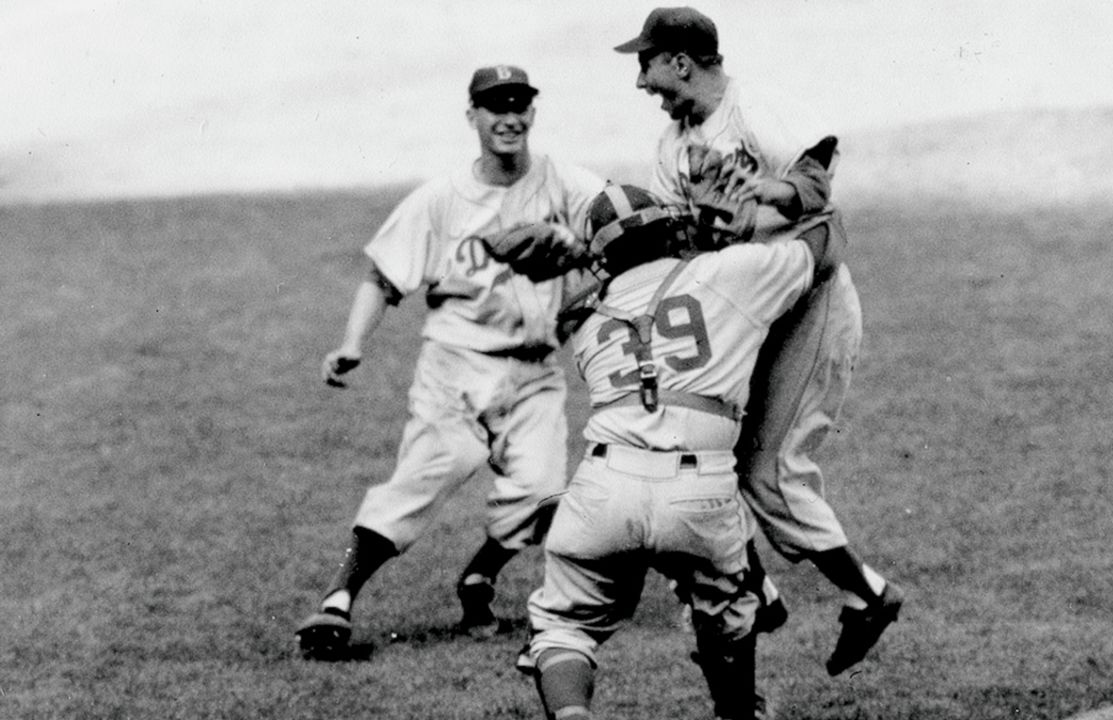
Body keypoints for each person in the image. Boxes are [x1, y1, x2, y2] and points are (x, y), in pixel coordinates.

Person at [613, 7, 904, 676]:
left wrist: (756, 195)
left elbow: (814, 183)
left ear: (680, 60)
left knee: (770, 476)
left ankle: (871, 596)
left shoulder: (754, 107)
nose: (641, 83)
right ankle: (759, 592)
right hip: (747, 314)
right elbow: (680, 238)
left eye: (646, 64)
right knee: (700, 453)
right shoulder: (670, 145)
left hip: (809, 305)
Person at [295, 65, 606, 661]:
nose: (509, 116)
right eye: (495, 106)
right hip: (455, 367)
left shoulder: (564, 182)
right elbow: (382, 277)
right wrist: (353, 342)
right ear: (473, 117)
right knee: (427, 475)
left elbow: (615, 219)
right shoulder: (442, 198)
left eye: (520, 104)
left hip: (535, 370)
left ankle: (479, 574)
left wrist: (581, 252)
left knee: (542, 494)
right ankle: (337, 598)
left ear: (533, 114)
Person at [510, 184, 846, 720]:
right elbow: (826, 241)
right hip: (699, 489)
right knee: (727, 618)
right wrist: (798, 190)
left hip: (604, 482)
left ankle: (573, 715)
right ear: (672, 228)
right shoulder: (730, 273)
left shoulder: (590, 323)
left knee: (563, 627)